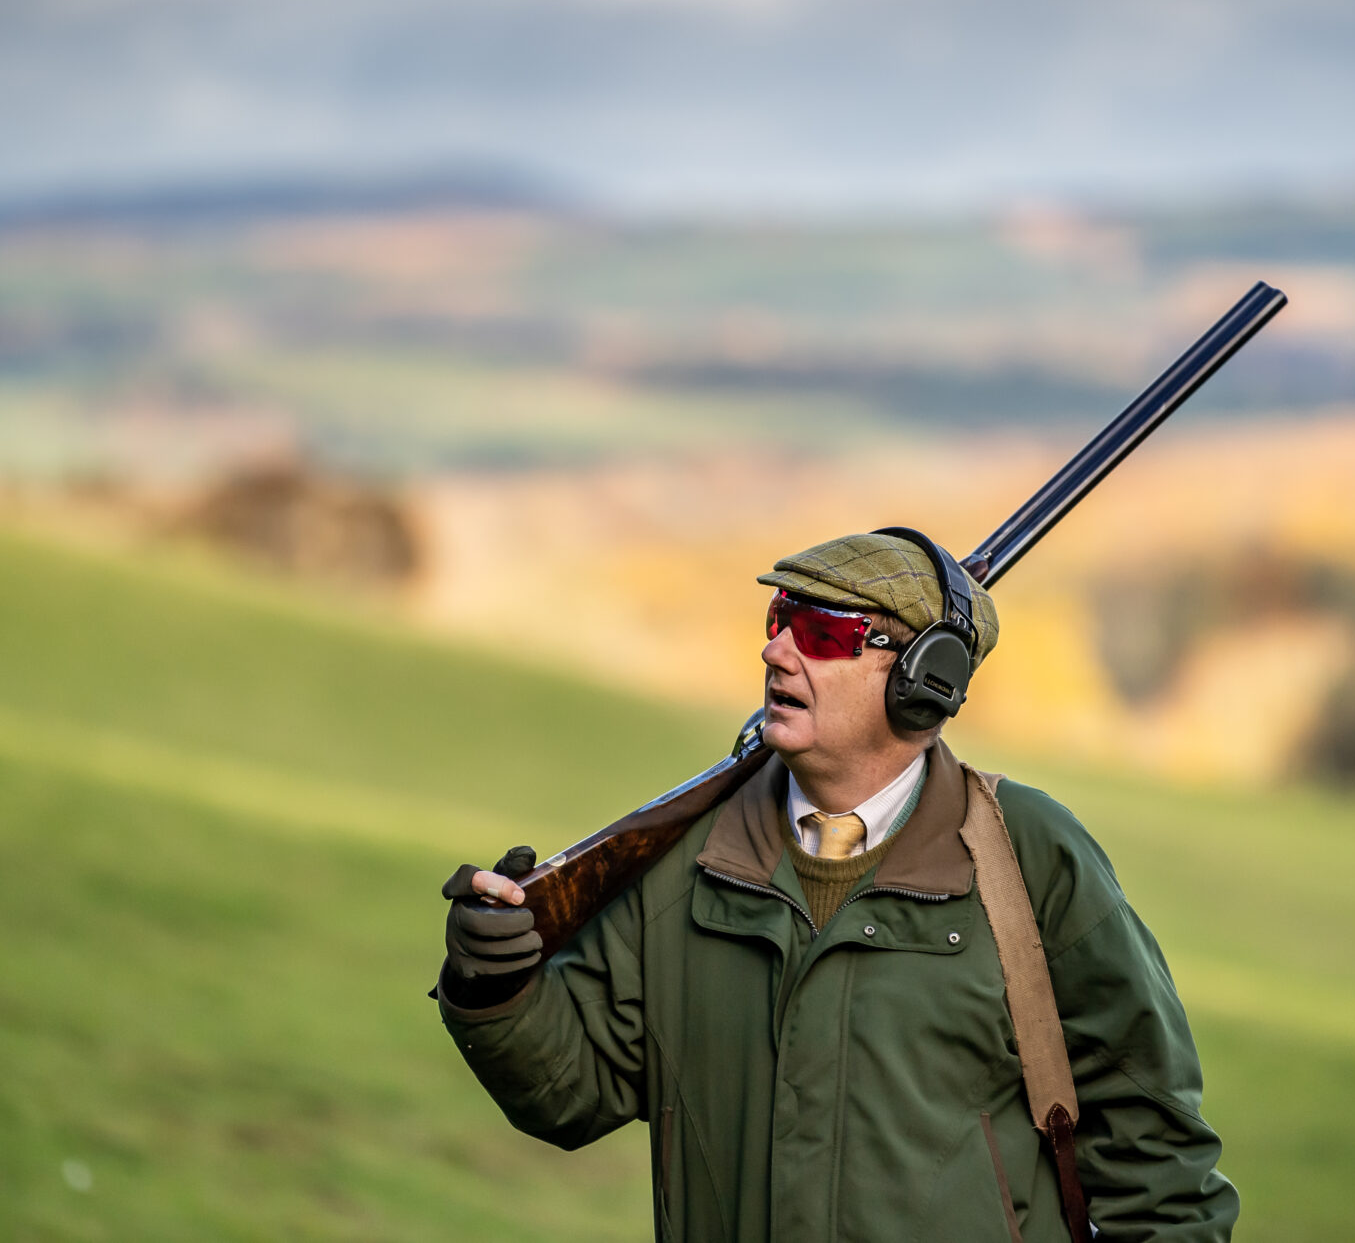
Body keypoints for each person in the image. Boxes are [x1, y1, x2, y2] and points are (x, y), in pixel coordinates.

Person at [437, 532, 1238, 1242]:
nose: (778, 652)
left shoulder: (1028, 853)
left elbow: (1158, 1161)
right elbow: (571, 1090)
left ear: (926, 678)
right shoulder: (690, 854)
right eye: (778, 620)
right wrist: (496, 981)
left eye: (822, 633)